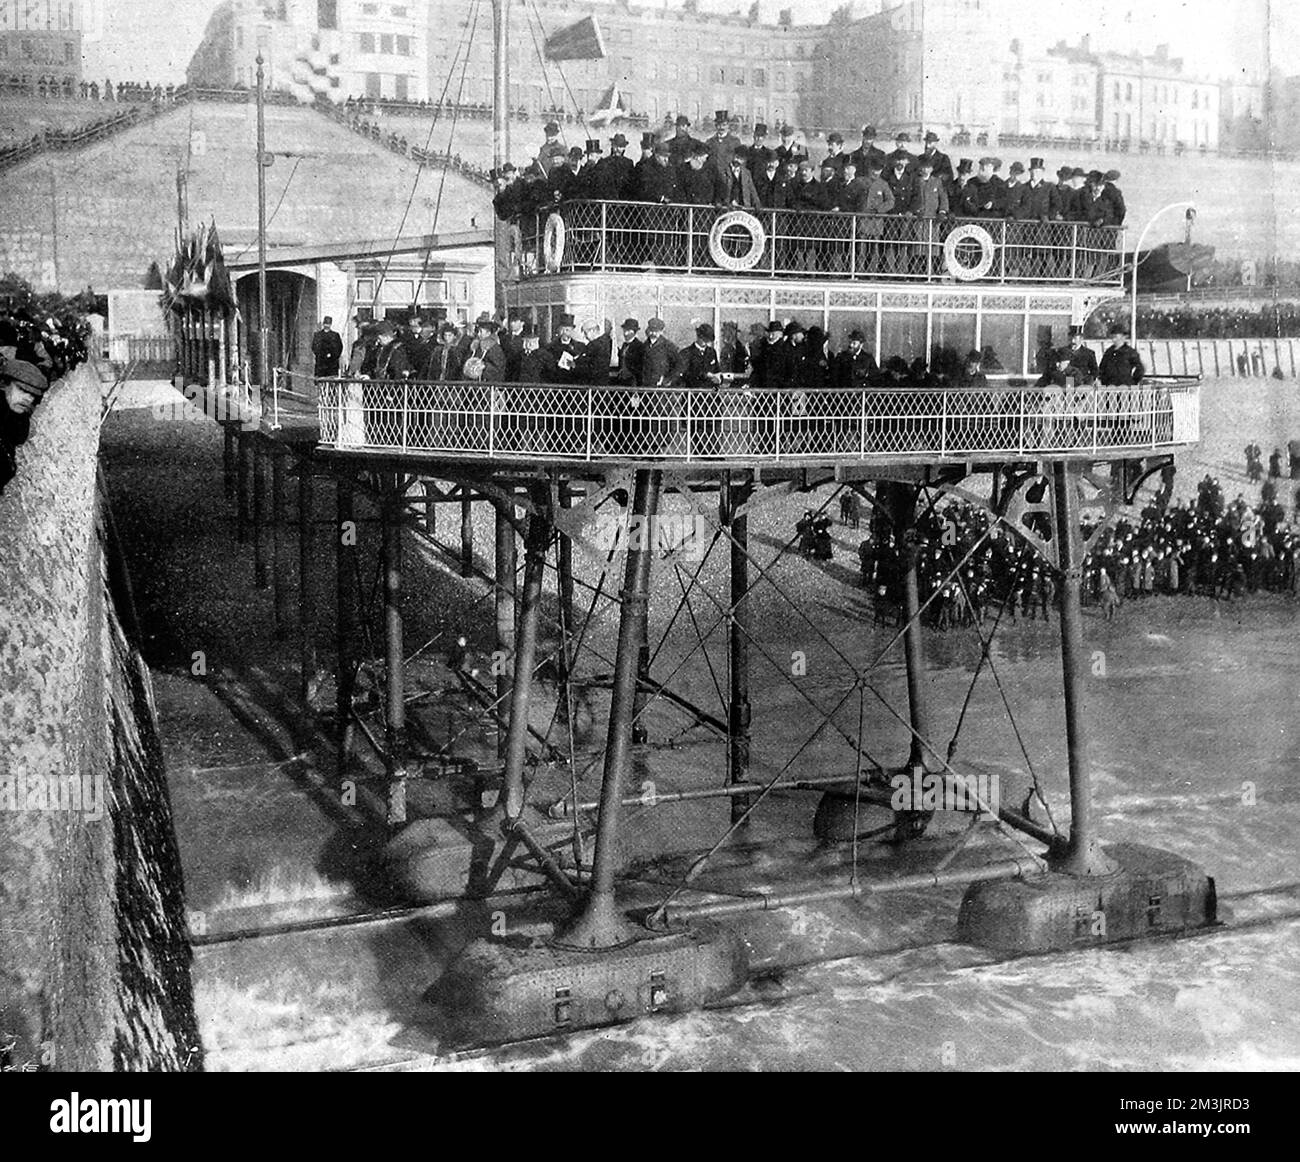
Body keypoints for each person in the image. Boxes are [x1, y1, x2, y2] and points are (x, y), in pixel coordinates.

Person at [0, 357, 47, 496]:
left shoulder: (14, 414)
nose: (28, 398)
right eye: (21, 389)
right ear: (3, 384)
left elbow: (19, 437)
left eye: (32, 395)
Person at [574, 319, 612, 386]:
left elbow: (591, 366)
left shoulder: (594, 346)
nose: (585, 337)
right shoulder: (605, 343)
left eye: (585, 333)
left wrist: (575, 365)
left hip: (593, 384)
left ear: (593, 331)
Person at [615, 318, 644, 386]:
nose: (625, 333)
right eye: (624, 330)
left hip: (634, 381)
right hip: (622, 380)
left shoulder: (639, 346)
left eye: (628, 330)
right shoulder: (624, 345)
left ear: (634, 332)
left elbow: (640, 366)